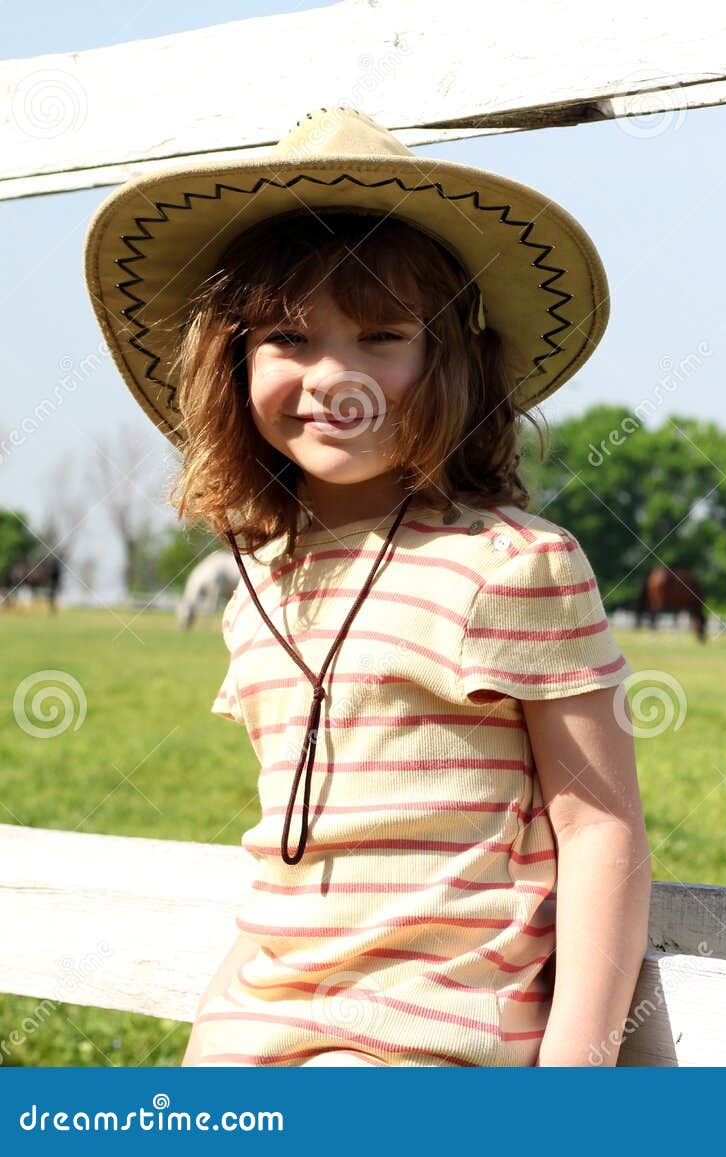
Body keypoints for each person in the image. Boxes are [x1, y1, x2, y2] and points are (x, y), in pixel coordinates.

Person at [81, 107, 651, 1067]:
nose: (334, 379)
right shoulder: (261, 583)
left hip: (414, 1047)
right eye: (288, 339)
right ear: (232, 363)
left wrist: (577, 1084)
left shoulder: (513, 565)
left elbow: (601, 831)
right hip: (249, 1036)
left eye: (383, 335)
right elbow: (298, 842)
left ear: (448, 360)